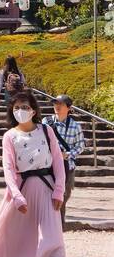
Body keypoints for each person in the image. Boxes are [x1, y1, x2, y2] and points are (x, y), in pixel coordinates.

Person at [0, 89, 66, 257]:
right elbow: (8, 168)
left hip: (47, 188)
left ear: (34, 110)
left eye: (25, 107)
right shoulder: (9, 136)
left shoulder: (46, 130)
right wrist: (16, 196)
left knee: (54, 238)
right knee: (20, 236)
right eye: (17, 107)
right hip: (22, 188)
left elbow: (58, 162)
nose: (21, 111)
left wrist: (59, 189)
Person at [42, 95, 84, 225]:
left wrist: (68, 154)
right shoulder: (46, 122)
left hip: (68, 167)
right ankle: (47, 224)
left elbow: (81, 145)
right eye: (55, 103)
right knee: (46, 196)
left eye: (61, 104)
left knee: (62, 197)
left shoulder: (75, 126)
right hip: (48, 167)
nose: (57, 106)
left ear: (69, 108)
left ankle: (59, 226)